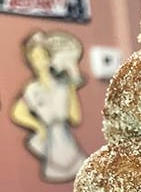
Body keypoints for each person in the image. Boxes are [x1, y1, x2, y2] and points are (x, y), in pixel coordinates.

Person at [11, 30, 87, 182]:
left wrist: (72, 85)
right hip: (51, 145)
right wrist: (38, 126)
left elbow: (75, 118)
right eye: (34, 58)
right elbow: (17, 111)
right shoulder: (32, 89)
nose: (39, 62)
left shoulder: (63, 85)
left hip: (69, 144)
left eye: (42, 56)